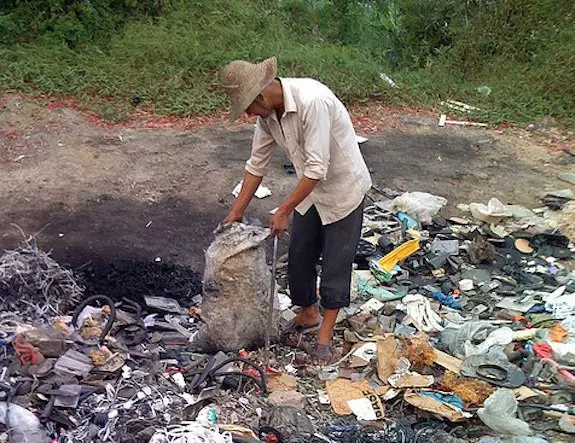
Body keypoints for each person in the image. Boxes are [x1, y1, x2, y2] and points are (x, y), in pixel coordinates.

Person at [220, 56, 372, 364]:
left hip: (343, 188)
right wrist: (235, 212)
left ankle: (325, 335)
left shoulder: (312, 101)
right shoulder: (267, 117)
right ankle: (308, 314)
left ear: (259, 96)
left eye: (248, 108)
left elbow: (318, 168)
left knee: (335, 264)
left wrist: (283, 210)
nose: (250, 115)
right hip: (310, 193)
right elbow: (256, 165)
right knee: (300, 255)